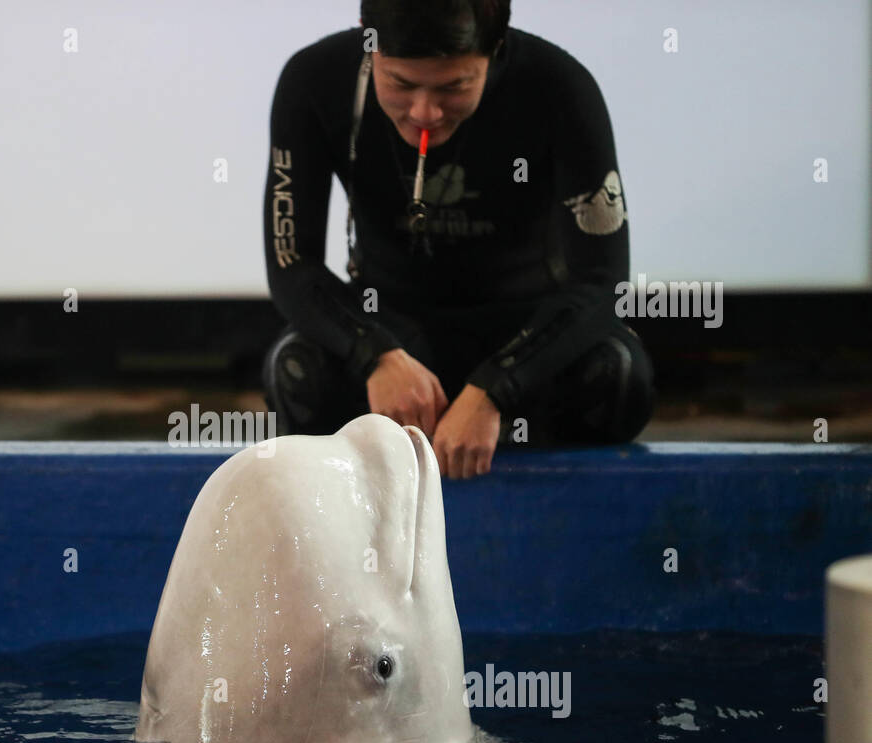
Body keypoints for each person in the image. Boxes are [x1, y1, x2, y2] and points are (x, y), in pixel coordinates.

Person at [261, 0, 655, 479]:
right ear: (368, 37)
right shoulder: (314, 80)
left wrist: (497, 388)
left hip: (523, 328)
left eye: (455, 87)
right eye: (401, 84)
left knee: (617, 377)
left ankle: (560, 527)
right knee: (296, 370)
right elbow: (291, 265)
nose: (425, 113)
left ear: (496, 47)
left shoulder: (560, 87)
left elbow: (602, 280)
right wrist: (374, 354)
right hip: (392, 328)